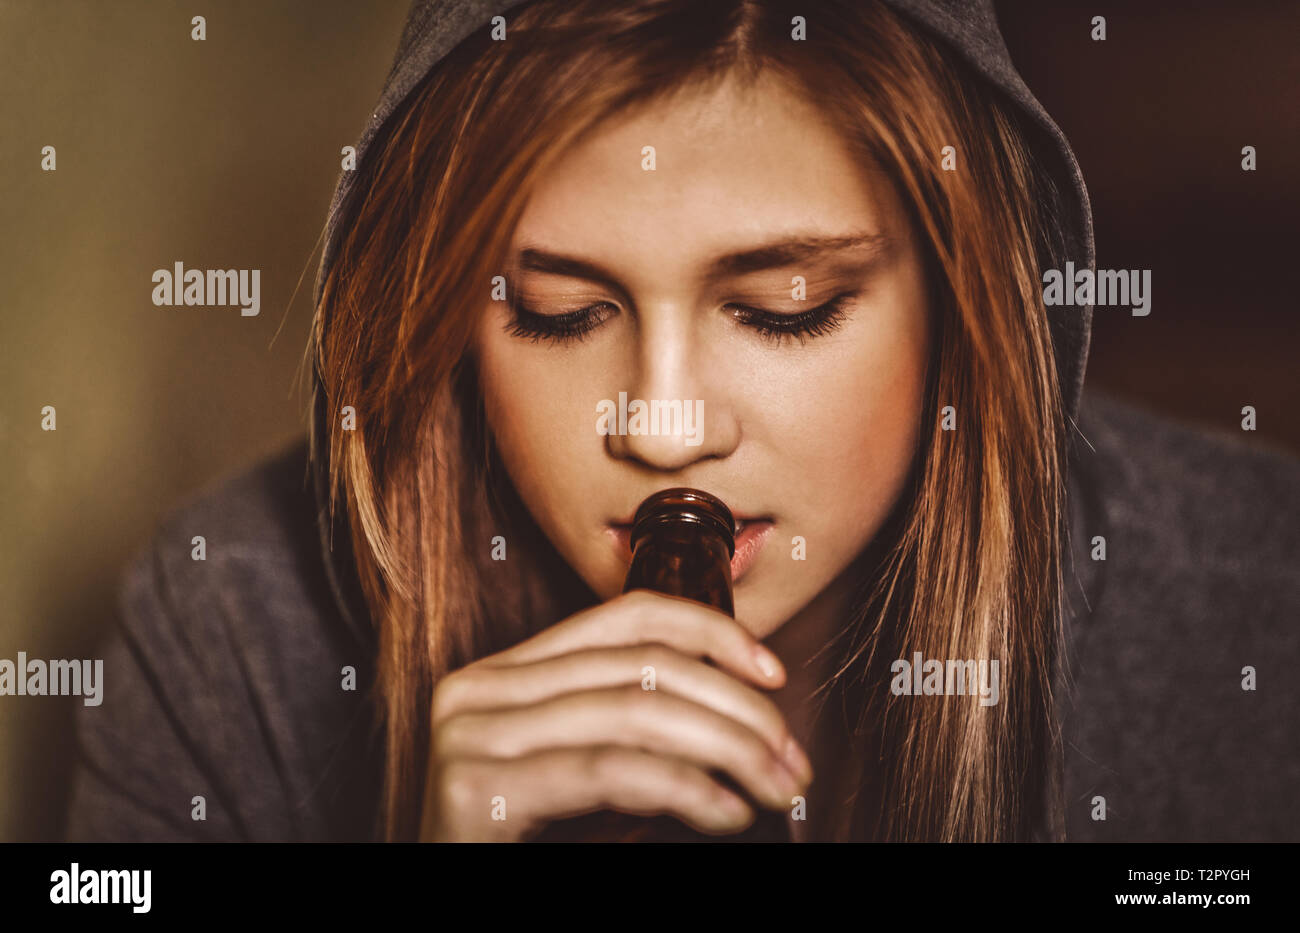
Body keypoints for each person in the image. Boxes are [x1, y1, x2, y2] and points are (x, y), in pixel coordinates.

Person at [65, 0, 1300, 843]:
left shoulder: (1258, 604)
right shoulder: (227, 624)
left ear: (964, 297)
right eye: (555, 311)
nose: (660, 428)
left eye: (784, 308)